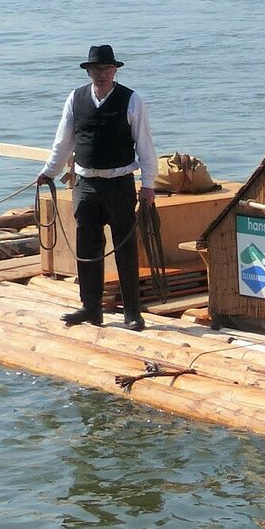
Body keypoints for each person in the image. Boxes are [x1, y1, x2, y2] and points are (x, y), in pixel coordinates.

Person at [37, 44, 158, 331]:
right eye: (96, 69)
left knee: (125, 248)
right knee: (87, 246)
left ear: (114, 70)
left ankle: (132, 312)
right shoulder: (75, 98)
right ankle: (91, 308)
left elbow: (145, 145)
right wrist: (49, 173)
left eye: (106, 69)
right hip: (86, 183)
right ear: (89, 71)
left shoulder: (131, 100)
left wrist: (148, 184)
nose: (101, 74)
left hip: (119, 183)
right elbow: (63, 141)